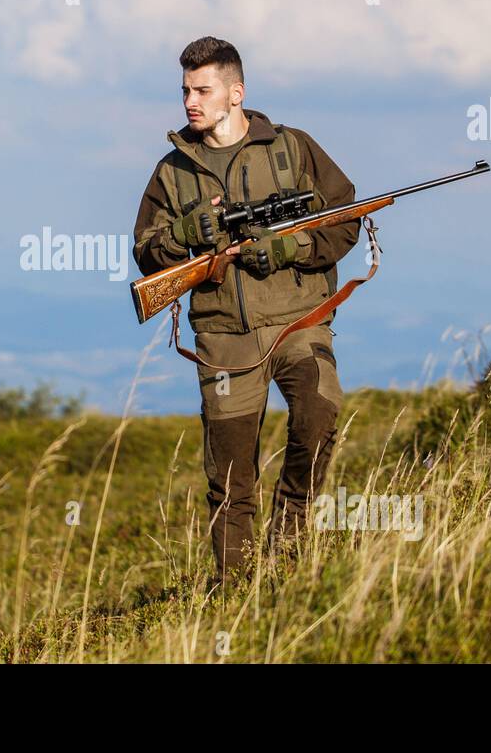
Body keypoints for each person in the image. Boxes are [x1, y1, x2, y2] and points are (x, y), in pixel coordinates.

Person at [132, 36, 361, 584]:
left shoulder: (292, 148)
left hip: (297, 321)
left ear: (236, 93)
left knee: (320, 412)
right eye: (186, 89)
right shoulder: (173, 171)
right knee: (230, 478)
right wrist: (186, 234)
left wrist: (291, 248)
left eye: (203, 89)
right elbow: (146, 251)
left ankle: (287, 551)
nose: (191, 100)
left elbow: (347, 216)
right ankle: (234, 593)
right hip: (224, 339)